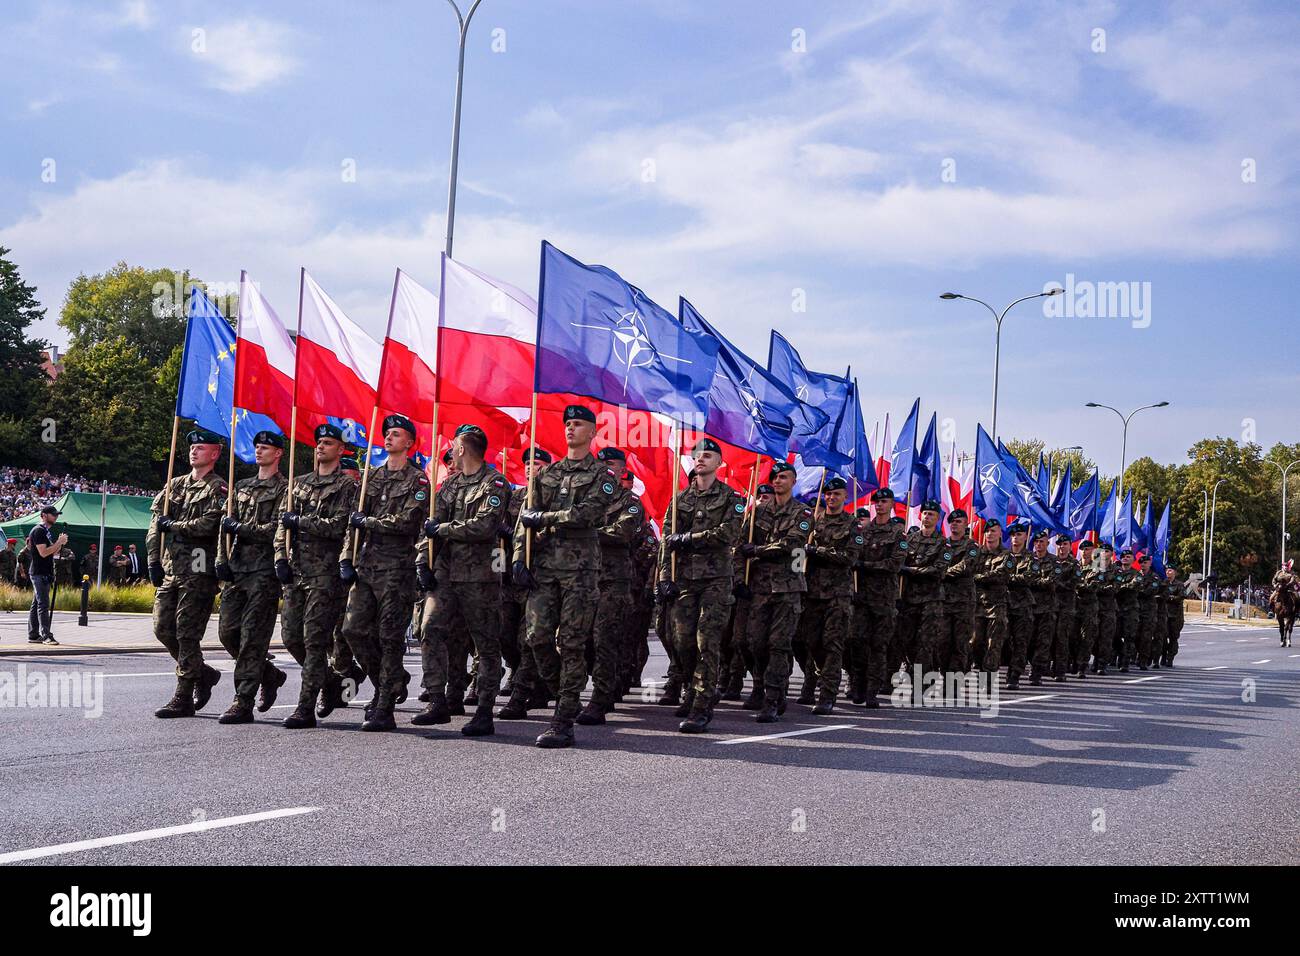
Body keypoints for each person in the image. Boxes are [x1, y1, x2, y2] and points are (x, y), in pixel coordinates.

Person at [511, 404, 617, 748]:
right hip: (544, 567)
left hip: (580, 571)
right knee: (537, 637)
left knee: (570, 642)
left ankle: (563, 720)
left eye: (578, 424)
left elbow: (587, 514)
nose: (571, 429)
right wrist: (518, 558)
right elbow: (522, 521)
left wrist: (541, 519)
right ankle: (564, 694)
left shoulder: (602, 476)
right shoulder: (546, 475)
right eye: (568, 424)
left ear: (593, 431)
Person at [412, 423, 511, 736]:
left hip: (480, 576)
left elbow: (483, 526)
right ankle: (438, 701)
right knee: (429, 629)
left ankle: (484, 710)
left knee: (485, 643)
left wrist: (440, 531)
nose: (451, 449)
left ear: (462, 448)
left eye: (454, 444)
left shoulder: (495, 483)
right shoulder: (451, 486)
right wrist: (422, 561)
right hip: (446, 573)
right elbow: (431, 523)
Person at [339, 414, 428, 732]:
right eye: (387, 433)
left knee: (389, 638)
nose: (389, 438)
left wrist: (370, 523)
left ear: (409, 442)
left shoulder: (418, 481)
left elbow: (408, 522)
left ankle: (384, 705)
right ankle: (390, 681)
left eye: (397, 434)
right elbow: (354, 522)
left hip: (397, 568)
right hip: (367, 566)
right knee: (353, 631)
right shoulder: (370, 478)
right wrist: (347, 557)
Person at [659, 437, 744, 732]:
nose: (701, 459)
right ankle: (691, 688)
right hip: (685, 580)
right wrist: (663, 578)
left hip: (715, 580)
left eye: (707, 455)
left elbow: (728, 534)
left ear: (719, 463)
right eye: (697, 455)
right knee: (681, 642)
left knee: (706, 641)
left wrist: (689, 539)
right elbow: (666, 542)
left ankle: (702, 705)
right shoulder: (680, 498)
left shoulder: (732, 499)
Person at [276, 423, 358, 729]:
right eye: (318, 442)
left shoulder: (346, 487)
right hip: (296, 572)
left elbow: (338, 526)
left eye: (327, 443)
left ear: (340, 449)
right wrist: (280, 557)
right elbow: (282, 528)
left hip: (325, 574)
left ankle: (305, 706)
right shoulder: (298, 484)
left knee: (314, 640)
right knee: (290, 637)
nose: (320, 447)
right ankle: (331, 680)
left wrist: (302, 521)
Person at [148, 428, 228, 718]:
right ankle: (202, 672)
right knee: (162, 627)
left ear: (215, 453)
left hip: (198, 568)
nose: (194, 451)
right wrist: (153, 560)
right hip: (172, 567)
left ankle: (183, 695)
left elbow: (210, 524)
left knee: (186, 632)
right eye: (192, 447)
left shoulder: (219, 488)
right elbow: (156, 523)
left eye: (202, 447)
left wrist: (177, 527)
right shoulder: (175, 485)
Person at [213, 430, 289, 724]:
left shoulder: (285, 489)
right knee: (227, 632)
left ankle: (242, 701)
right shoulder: (242, 486)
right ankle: (269, 675)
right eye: (257, 446)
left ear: (278, 453)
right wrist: (221, 558)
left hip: (264, 571)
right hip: (237, 569)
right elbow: (224, 525)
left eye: (266, 447)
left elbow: (277, 530)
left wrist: (241, 529)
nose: (259, 451)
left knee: (252, 638)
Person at [740, 461, 811, 723]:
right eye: (775, 477)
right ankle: (762, 685)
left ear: (793, 481)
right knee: (755, 642)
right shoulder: (757, 513)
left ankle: (771, 698)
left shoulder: (802, 513)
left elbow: (792, 544)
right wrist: (740, 577)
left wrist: (757, 551)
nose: (778, 481)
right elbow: (741, 543)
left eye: (784, 477)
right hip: (760, 587)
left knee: (778, 644)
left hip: (788, 589)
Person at [580, 446, 646, 726]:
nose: (606, 467)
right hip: (583, 578)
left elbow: (622, 533)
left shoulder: (630, 502)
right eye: (601, 463)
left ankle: (601, 699)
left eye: (612, 464)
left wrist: (583, 531)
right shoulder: (588, 499)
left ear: (622, 469)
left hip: (614, 581)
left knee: (604, 639)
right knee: (575, 640)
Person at [496, 448, 552, 716]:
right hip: (510, 577)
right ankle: (526, 676)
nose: (531, 468)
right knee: (505, 635)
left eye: (537, 463)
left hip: (539, 577)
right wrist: (498, 569)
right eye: (528, 464)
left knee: (528, 638)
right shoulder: (515, 497)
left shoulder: (553, 497)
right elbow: (500, 537)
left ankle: (521, 694)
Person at [797, 475, 859, 715]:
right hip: (812, 593)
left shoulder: (851, 525)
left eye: (837, 494)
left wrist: (817, 551)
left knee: (832, 644)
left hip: (837, 594)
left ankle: (827, 694)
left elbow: (849, 558)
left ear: (845, 497)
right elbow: (798, 555)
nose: (832, 498)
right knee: (812, 643)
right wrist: (798, 569)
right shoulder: (814, 522)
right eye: (829, 494)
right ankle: (824, 678)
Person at [855, 488, 905, 707]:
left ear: (892, 504)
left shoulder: (897, 534)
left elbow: (894, 564)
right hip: (863, 596)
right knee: (858, 642)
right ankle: (858, 685)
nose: (879, 505)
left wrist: (865, 565)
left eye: (884, 501)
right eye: (876, 501)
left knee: (879, 645)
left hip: (884, 598)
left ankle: (872, 691)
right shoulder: (864, 532)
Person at [896, 499, 951, 677]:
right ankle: (919, 671)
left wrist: (910, 570)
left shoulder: (944, 544)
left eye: (931, 514)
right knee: (907, 640)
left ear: (937, 519)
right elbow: (898, 560)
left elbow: (938, 569)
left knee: (926, 642)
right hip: (909, 598)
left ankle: (919, 683)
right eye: (925, 513)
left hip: (931, 599)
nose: (927, 517)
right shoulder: (908, 540)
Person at [938, 508, 980, 678]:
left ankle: (955, 678)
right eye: (952, 521)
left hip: (964, 602)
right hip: (943, 600)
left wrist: (941, 572)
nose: (955, 524)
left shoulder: (971, 546)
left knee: (960, 642)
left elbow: (966, 566)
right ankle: (945, 672)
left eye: (959, 521)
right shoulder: (942, 544)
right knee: (943, 641)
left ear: (965, 524)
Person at [970, 519, 1011, 683]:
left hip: (996, 606)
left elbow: (1001, 574)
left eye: (994, 531)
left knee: (993, 643)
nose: (990, 534)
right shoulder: (977, 552)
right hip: (977, 605)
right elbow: (968, 567)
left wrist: (977, 577)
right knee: (975, 642)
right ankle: (980, 668)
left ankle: (988, 678)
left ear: (1000, 534)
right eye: (987, 531)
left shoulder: (1006, 555)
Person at [26, 505, 65, 646]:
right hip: (39, 572)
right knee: (43, 604)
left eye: (57, 514)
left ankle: (33, 634)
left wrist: (59, 545)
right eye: (53, 514)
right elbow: (43, 552)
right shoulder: (39, 531)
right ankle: (46, 636)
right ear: (44, 515)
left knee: (37, 603)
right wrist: (59, 543)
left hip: (44, 572)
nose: (56, 516)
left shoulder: (46, 532)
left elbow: (52, 552)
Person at [1003, 523, 1034, 690]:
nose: (1015, 537)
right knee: (1001, 641)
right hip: (1003, 604)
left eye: (1019, 534)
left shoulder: (1031, 558)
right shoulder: (1003, 555)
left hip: (1022, 606)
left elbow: (1028, 578)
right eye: (1013, 534)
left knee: (1020, 642)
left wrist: (1004, 577)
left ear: (1025, 537)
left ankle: (1014, 674)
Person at [1051, 534, 1078, 682]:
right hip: (1051, 605)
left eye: (1065, 544)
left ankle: (1060, 669)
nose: (1062, 547)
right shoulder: (1052, 562)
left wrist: (1055, 584)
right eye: (1060, 544)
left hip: (1066, 606)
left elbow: (1073, 583)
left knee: (1062, 637)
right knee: (1050, 637)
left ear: (1069, 546)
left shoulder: (1074, 564)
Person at [1071, 540, 1098, 678]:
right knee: (1074, 636)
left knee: (1086, 637)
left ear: (1093, 551)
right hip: (1075, 606)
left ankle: (1082, 665)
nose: (1085, 552)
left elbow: (1092, 586)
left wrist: (1074, 585)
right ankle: (1075, 662)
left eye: (1088, 549)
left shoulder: (1097, 567)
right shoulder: (1075, 566)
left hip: (1089, 608)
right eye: (1083, 549)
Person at [1163, 566, 1185, 663]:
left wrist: (1169, 598)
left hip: (1176, 616)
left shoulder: (1179, 584)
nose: (1168, 572)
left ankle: (1170, 657)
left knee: (1173, 637)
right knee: (1162, 637)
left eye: (1170, 570)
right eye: (1167, 570)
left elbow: (1181, 596)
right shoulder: (1163, 583)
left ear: (1175, 572)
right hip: (1164, 614)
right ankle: (1163, 656)